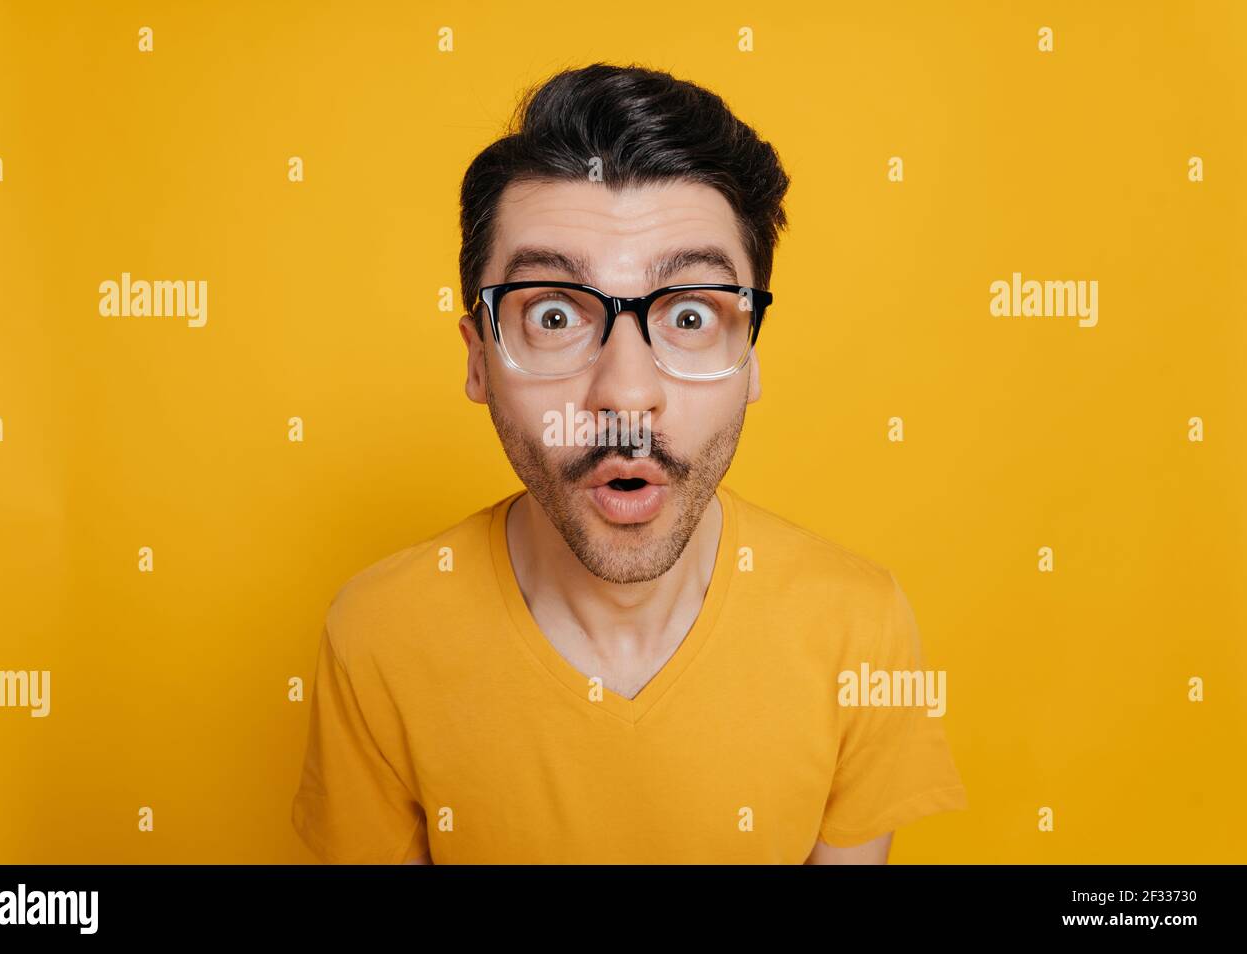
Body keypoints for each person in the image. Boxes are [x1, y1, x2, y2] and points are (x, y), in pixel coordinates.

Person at [292, 62, 966, 864]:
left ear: (750, 356)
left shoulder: (859, 627)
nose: (626, 394)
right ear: (478, 360)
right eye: (553, 314)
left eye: (690, 314)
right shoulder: (378, 635)